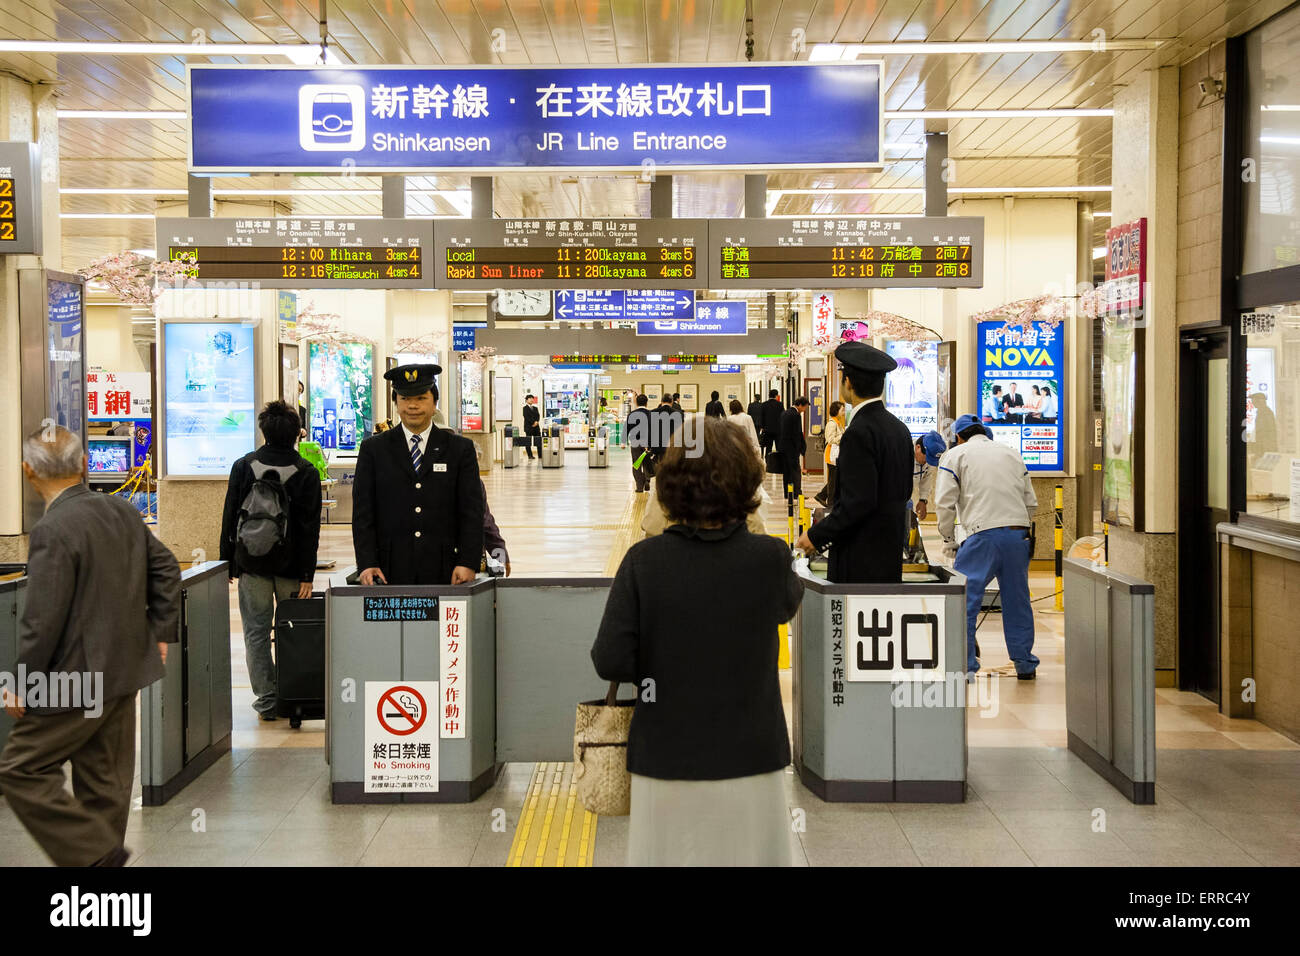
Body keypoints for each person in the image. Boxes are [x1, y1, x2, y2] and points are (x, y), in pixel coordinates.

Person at [592, 415, 803, 866]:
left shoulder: (644, 562)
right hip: (752, 752)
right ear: (748, 483)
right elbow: (785, 605)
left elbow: (610, 658)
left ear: (668, 483)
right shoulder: (769, 558)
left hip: (666, 754)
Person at [0, 426, 181, 866]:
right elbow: (167, 567)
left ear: (28, 471)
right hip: (123, 673)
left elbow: (43, 619)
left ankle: (97, 856)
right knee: (105, 787)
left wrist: (21, 682)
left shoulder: (52, 529)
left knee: (20, 768)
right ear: (83, 465)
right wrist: (159, 631)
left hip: (75, 682)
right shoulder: (120, 511)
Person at [220, 399, 323, 721]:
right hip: (292, 567)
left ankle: (266, 700)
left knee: (256, 633)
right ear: (297, 434)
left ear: (263, 430)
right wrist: (308, 573)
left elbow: (230, 514)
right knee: (293, 632)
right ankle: (292, 696)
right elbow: (309, 528)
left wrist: (229, 560)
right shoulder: (305, 472)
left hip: (252, 565)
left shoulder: (244, 466)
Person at [352, 363, 484, 586]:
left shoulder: (459, 450)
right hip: (388, 569)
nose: (412, 405)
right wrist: (366, 562)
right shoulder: (374, 449)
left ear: (435, 404)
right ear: (396, 403)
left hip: (445, 567)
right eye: (404, 398)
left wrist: (468, 561)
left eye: (421, 398)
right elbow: (363, 513)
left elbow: (471, 511)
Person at [795, 342, 913, 583]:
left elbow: (858, 502)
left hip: (859, 559)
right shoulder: (900, 429)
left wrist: (816, 535)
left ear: (848, 383)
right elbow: (904, 491)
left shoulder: (858, 432)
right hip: (889, 556)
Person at [933, 414, 1039, 679]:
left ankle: (966, 667)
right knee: (1018, 601)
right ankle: (1025, 664)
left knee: (965, 601)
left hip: (982, 537)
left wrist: (948, 540)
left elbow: (944, 503)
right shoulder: (1012, 454)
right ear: (986, 433)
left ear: (958, 436)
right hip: (1018, 535)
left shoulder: (955, 456)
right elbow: (1031, 502)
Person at [911, 430, 947, 520]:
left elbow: (927, 477)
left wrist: (923, 500)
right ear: (918, 448)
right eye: (927, 458)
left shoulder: (928, 459)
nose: (927, 462)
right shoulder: (902, 454)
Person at [777, 396, 809, 498]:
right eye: (804, 408)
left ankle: (787, 493)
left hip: (783, 447)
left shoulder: (784, 413)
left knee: (786, 472)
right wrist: (801, 448)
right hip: (792, 448)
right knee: (795, 471)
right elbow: (797, 433)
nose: (804, 410)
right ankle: (797, 493)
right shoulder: (796, 415)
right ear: (799, 405)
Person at [481, 478, 510, 576]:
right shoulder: (472, 483)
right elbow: (485, 524)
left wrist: (501, 555)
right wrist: (501, 555)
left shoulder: (474, 483)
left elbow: (485, 523)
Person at [626, 393, 654, 494]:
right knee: (647, 462)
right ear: (647, 403)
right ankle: (647, 479)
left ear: (636, 403)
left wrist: (623, 442)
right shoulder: (651, 414)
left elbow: (627, 428)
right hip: (647, 443)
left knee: (636, 463)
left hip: (635, 442)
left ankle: (639, 486)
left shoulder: (632, 414)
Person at [820, 401, 846, 506]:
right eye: (842, 410)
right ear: (836, 411)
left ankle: (822, 496)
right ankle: (830, 502)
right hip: (832, 455)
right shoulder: (832, 424)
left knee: (834, 479)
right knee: (833, 480)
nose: (844, 412)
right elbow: (830, 440)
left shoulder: (838, 423)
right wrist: (843, 436)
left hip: (836, 455)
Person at [1250, 392, 1278, 456]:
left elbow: (1270, 432)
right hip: (1261, 446)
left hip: (1266, 447)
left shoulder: (1267, 413)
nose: (1252, 402)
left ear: (1260, 401)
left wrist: (1266, 449)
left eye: (1253, 400)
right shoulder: (1260, 412)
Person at [759, 389, 783, 460]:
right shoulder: (780, 404)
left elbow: (762, 417)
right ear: (776, 395)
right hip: (778, 430)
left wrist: (762, 427)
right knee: (778, 447)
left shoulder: (764, 404)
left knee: (768, 447)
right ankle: (778, 462)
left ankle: (768, 462)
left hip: (767, 430)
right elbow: (782, 416)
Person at [522, 394, 541, 460]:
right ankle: (530, 455)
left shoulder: (535, 408)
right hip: (529, 427)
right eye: (530, 398)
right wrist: (533, 422)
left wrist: (536, 422)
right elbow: (526, 417)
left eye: (532, 398)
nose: (531, 399)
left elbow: (538, 416)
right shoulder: (524, 408)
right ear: (526, 400)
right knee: (528, 442)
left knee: (539, 441)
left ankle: (540, 455)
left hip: (536, 428)